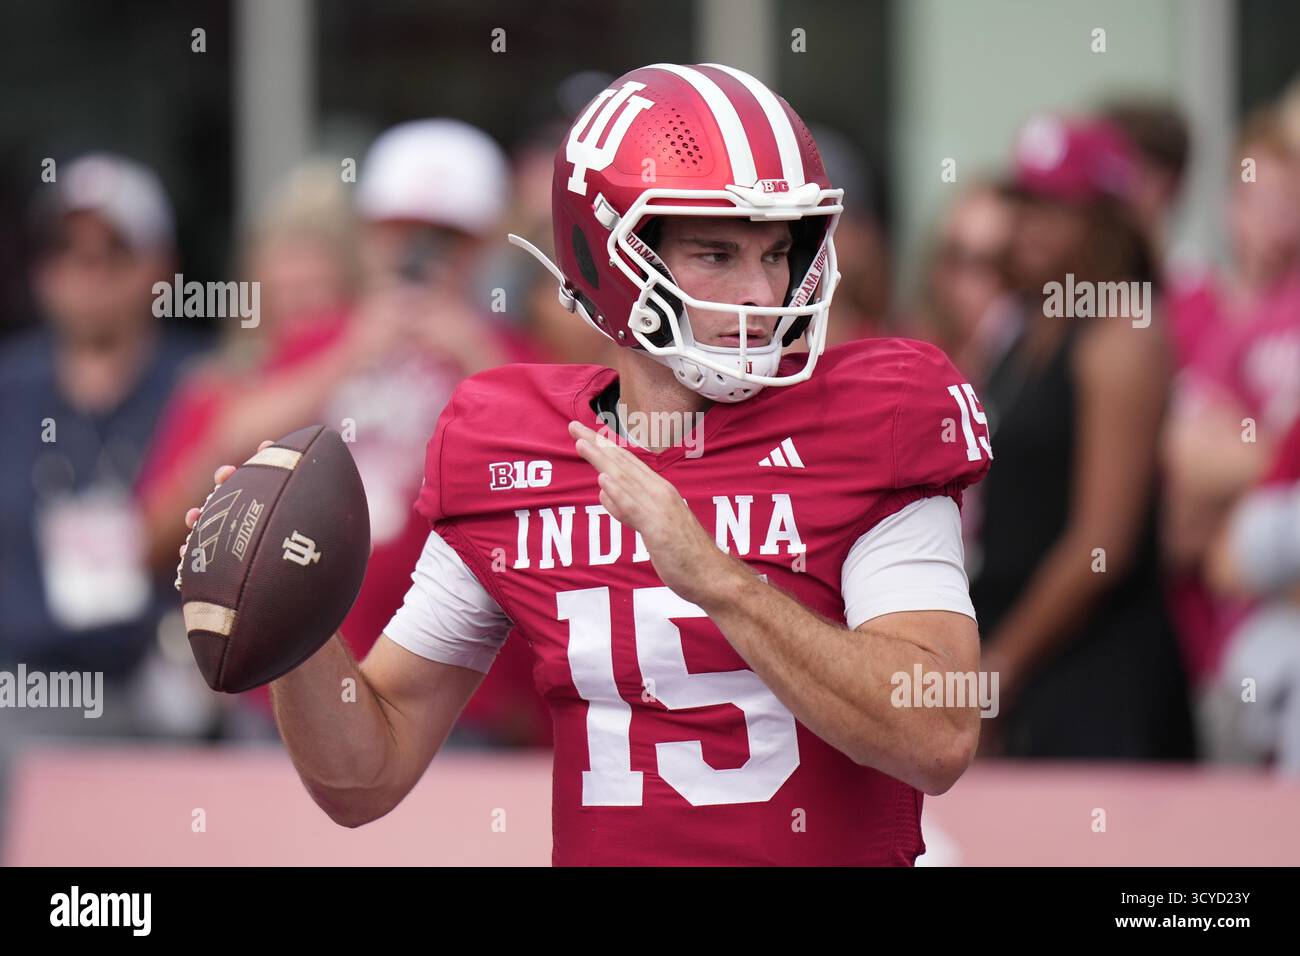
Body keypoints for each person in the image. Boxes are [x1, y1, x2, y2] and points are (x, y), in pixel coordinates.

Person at [183, 64, 991, 865]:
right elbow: (367, 775)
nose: (762, 293)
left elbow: (936, 733)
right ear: (610, 256)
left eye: (777, 253)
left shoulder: (876, 418)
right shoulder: (508, 444)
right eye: (717, 254)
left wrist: (719, 578)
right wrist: (291, 618)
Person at [971, 115, 1195, 760]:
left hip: (1098, 671)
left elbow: (1101, 547)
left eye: (1055, 208)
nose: (1031, 226)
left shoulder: (1123, 333)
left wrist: (997, 674)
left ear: (1106, 221)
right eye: (1024, 205)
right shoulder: (1020, 330)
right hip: (1020, 650)